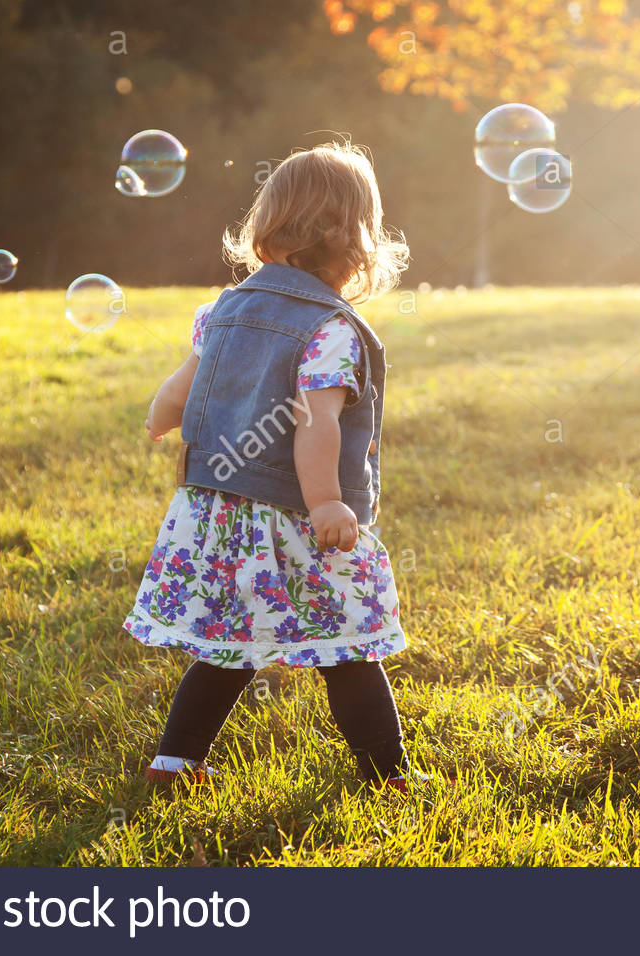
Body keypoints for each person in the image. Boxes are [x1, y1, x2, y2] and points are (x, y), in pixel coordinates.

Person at [124, 142, 428, 794]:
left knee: (229, 646)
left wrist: (159, 419)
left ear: (268, 227)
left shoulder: (222, 312)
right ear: (355, 242)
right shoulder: (331, 328)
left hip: (220, 514)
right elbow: (314, 423)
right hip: (296, 517)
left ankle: (174, 762)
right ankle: (389, 773)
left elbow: (180, 388)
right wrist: (325, 502)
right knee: (349, 646)